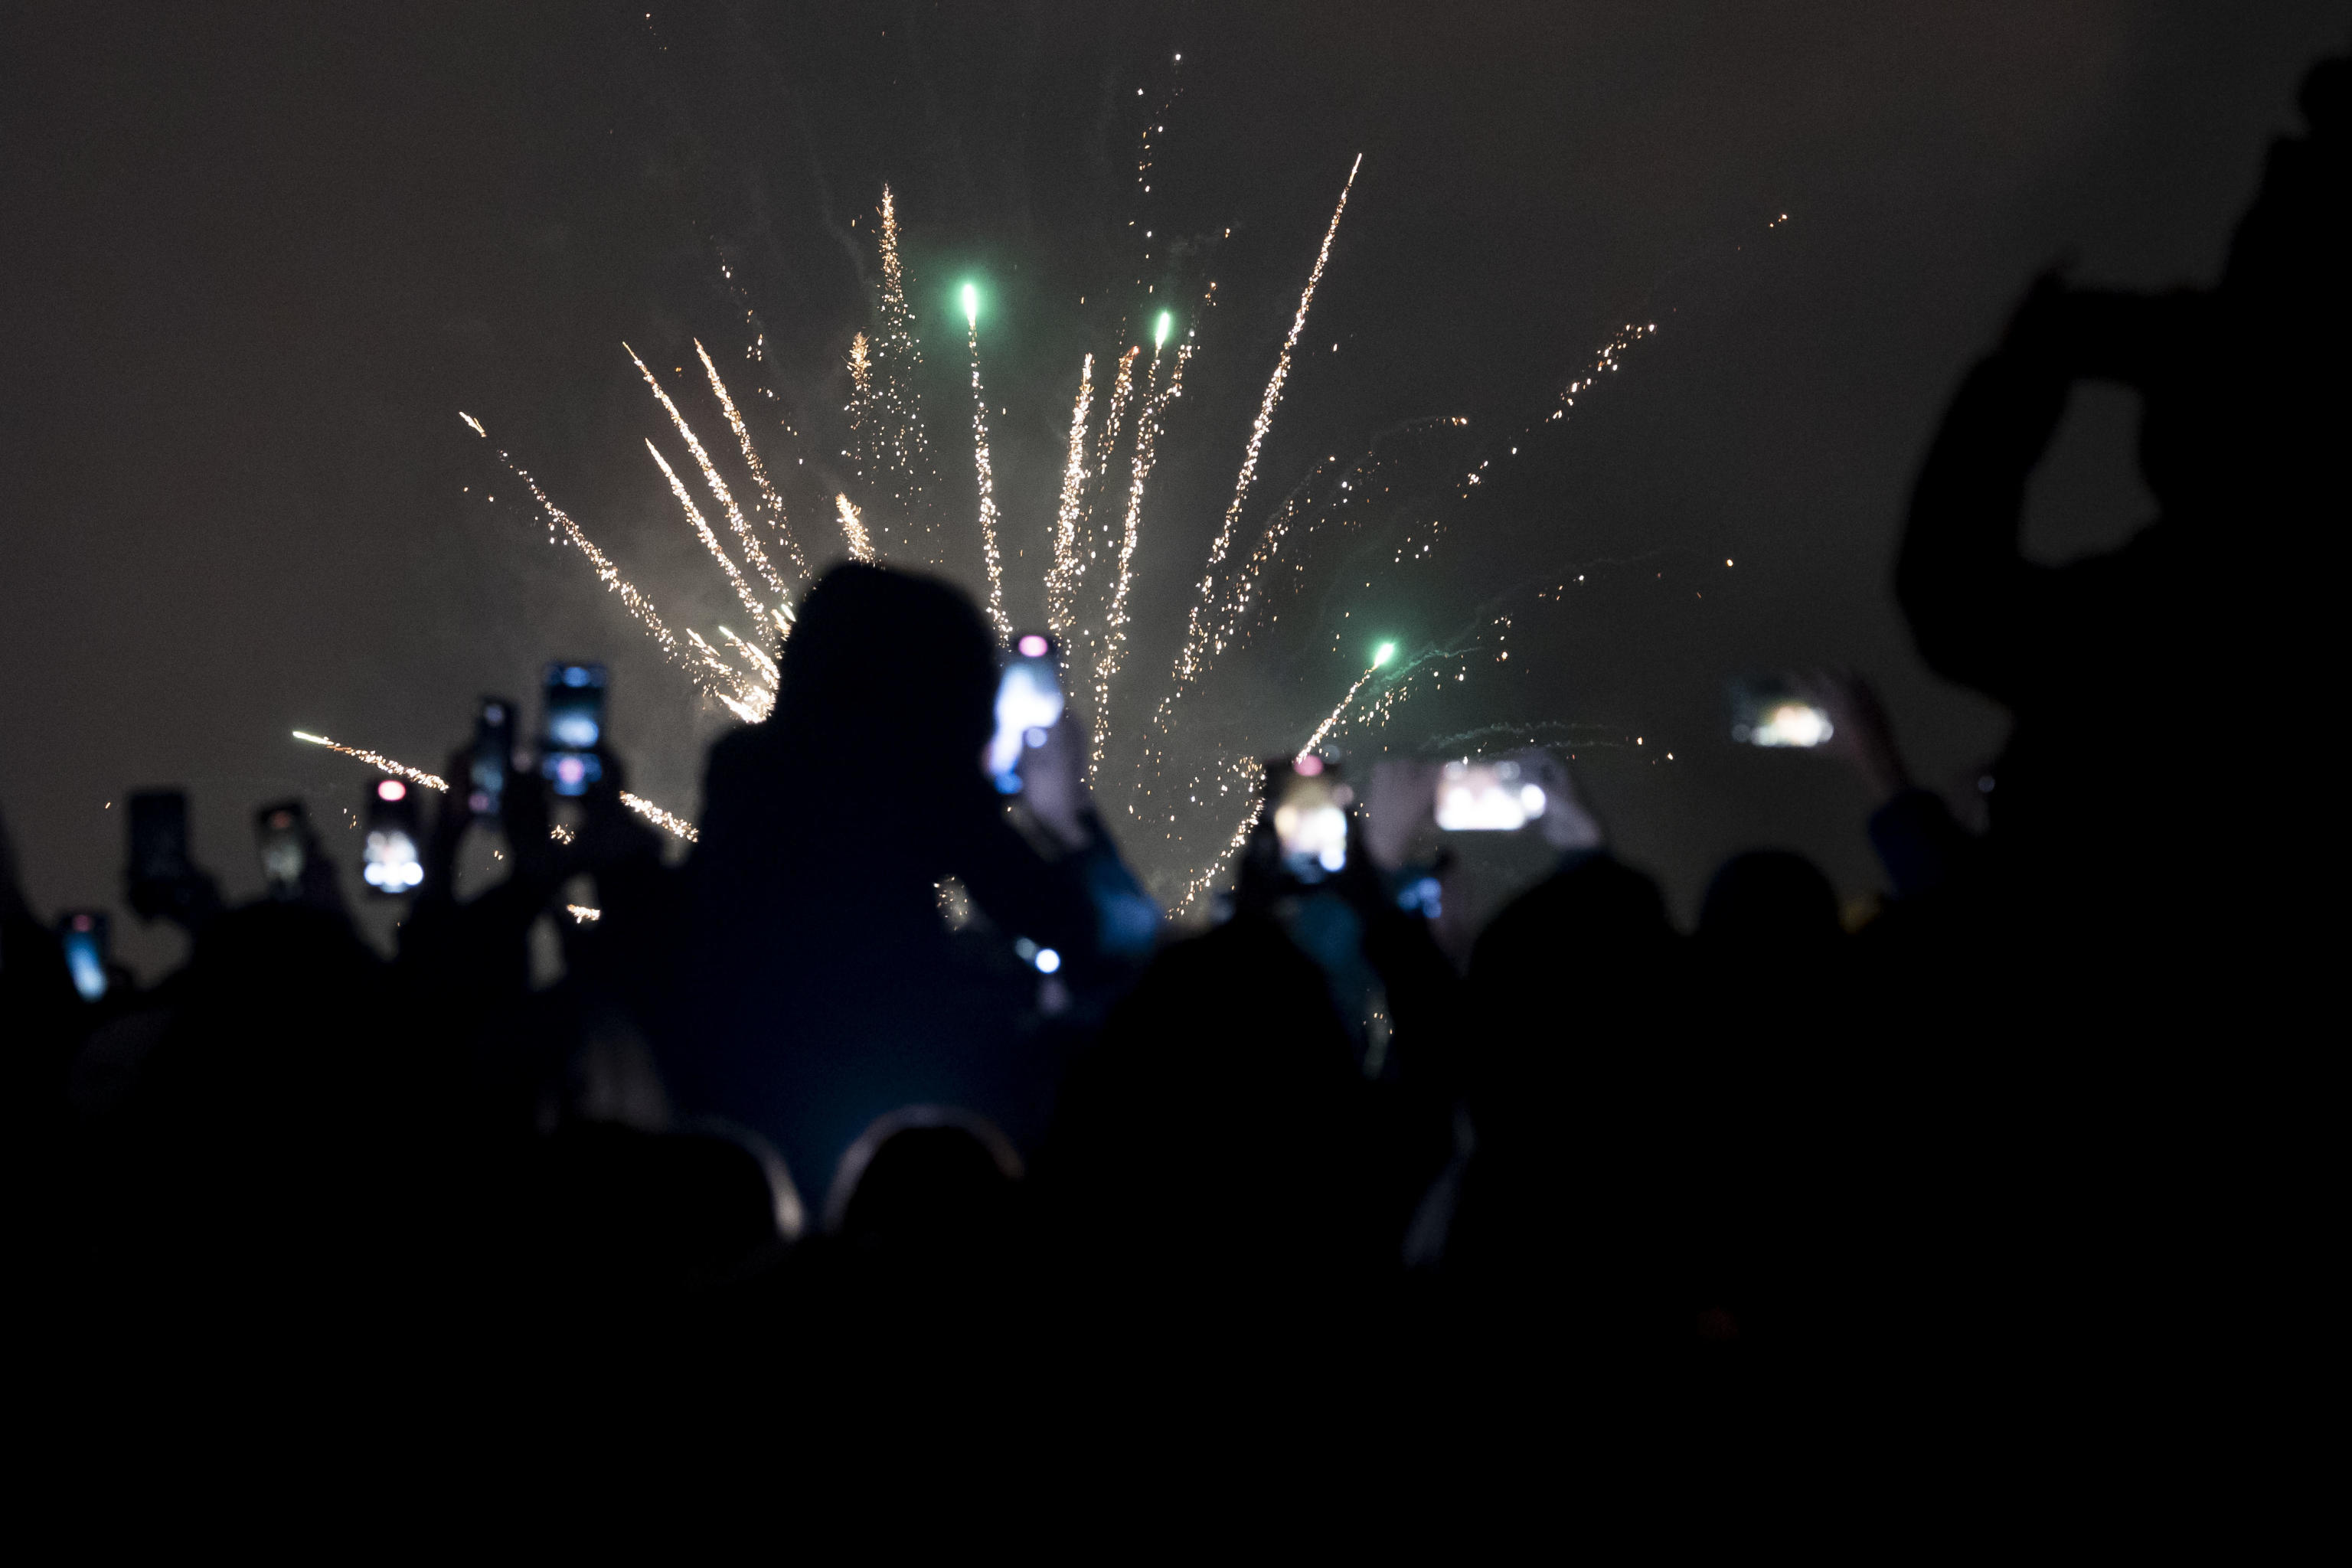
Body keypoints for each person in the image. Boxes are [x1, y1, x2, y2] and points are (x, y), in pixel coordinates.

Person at [662, 563, 1146, 1201]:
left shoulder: (745, 774)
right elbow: (1105, 944)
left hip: (734, 1153)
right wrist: (1068, 816)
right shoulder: (917, 790)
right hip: (902, 1152)